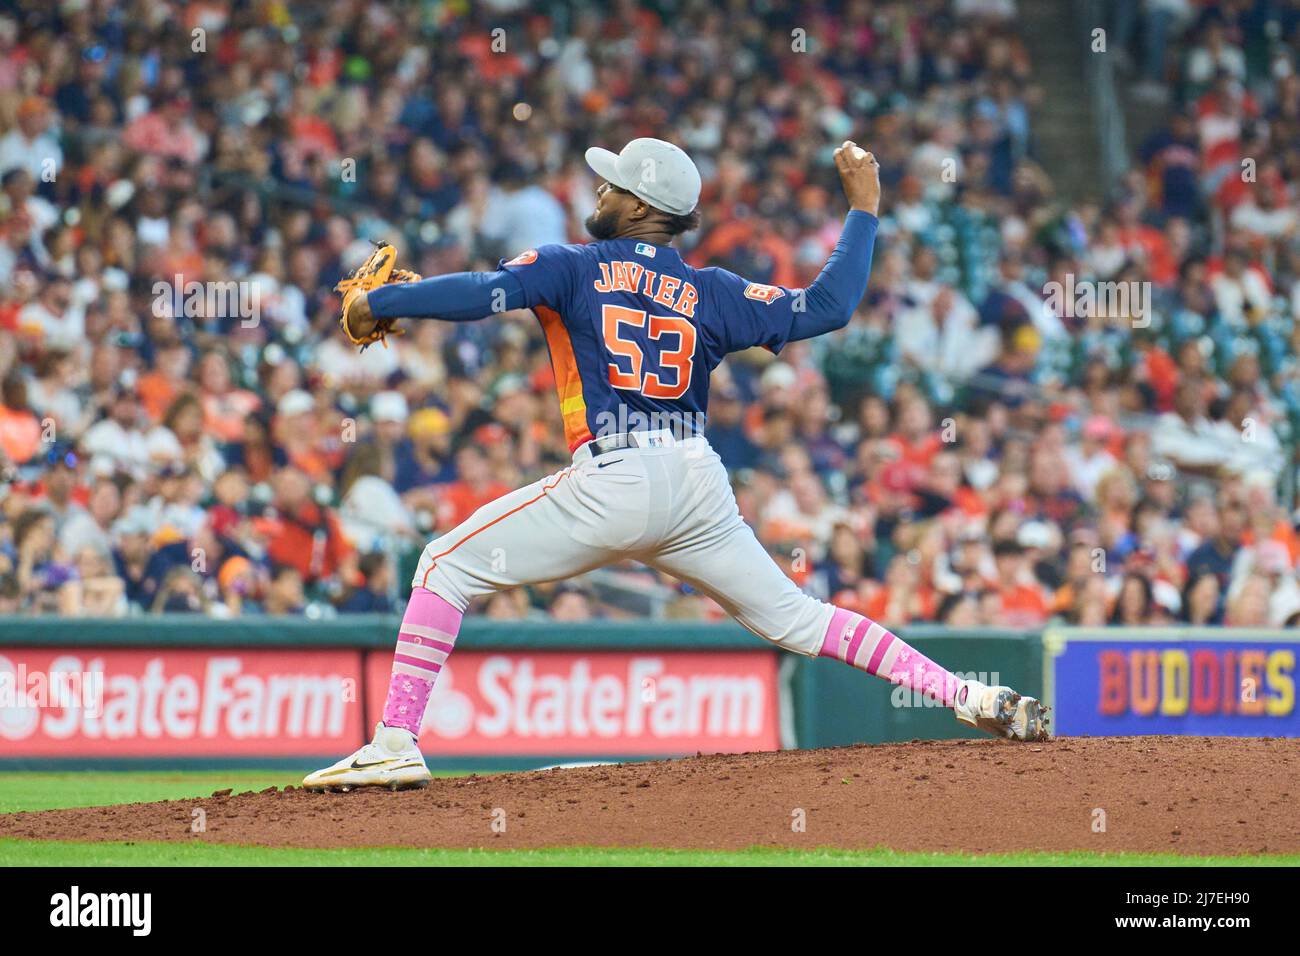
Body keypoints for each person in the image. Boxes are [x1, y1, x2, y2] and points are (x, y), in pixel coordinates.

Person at [306, 138, 1046, 792]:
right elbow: (827, 307)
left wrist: (385, 300)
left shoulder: (572, 265)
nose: (599, 190)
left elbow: (480, 293)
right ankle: (968, 697)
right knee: (799, 619)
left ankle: (395, 742)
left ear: (637, 203)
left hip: (616, 473)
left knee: (442, 565)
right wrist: (864, 210)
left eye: (611, 184)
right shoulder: (712, 289)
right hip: (696, 483)